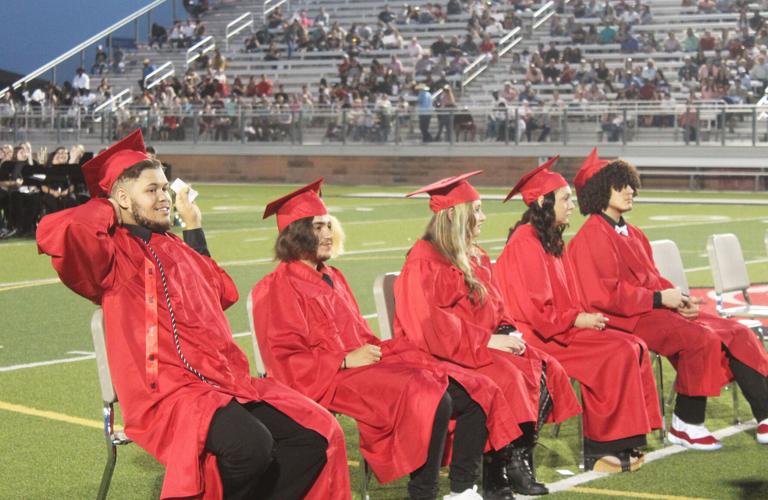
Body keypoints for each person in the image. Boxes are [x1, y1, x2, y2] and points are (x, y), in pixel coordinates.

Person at [36, 130, 350, 500]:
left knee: (318, 434)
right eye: (151, 190)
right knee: (251, 446)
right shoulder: (113, 256)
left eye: (165, 188)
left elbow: (223, 291)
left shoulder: (176, 246)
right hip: (168, 392)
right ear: (122, 197)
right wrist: (109, 205)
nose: (165, 197)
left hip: (223, 381)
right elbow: (66, 230)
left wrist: (194, 228)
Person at [251, 179, 521, 500]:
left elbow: (360, 333)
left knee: (475, 390)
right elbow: (283, 359)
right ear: (295, 233)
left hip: (367, 362)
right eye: (317, 226)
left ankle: (464, 489)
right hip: (327, 377)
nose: (327, 234)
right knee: (434, 395)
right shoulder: (276, 287)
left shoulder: (334, 277)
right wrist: (343, 359)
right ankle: (423, 492)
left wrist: (385, 351)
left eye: (328, 225)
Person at [395, 172, 582, 496]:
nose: (483, 217)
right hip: (441, 353)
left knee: (544, 366)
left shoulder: (475, 254)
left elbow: (496, 305)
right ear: (454, 214)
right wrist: (486, 341)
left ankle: (514, 460)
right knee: (507, 375)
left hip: (478, 345)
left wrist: (507, 330)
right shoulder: (424, 260)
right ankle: (497, 474)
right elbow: (429, 327)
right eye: (477, 209)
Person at [568, 149, 768, 449]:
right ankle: (686, 423)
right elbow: (605, 296)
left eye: (629, 184)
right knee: (699, 338)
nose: (629, 190)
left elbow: (653, 277)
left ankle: (765, 415)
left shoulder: (632, 232)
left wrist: (681, 299)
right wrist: (661, 298)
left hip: (655, 308)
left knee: (738, 332)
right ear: (598, 191)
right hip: (625, 320)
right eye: (619, 185)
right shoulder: (591, 236)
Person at [494, 157, 662, 472]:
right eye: (565, 199)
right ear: (543, 202)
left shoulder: (548, 238)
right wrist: (576, 319)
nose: (572, 205)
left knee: (633, 344)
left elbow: (566, 297)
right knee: (616, 352)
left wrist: (581, 317)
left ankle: (625, 441)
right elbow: (535, 311)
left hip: (562, 327)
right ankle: (599, 451)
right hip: (540, 336)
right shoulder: (524, 244)